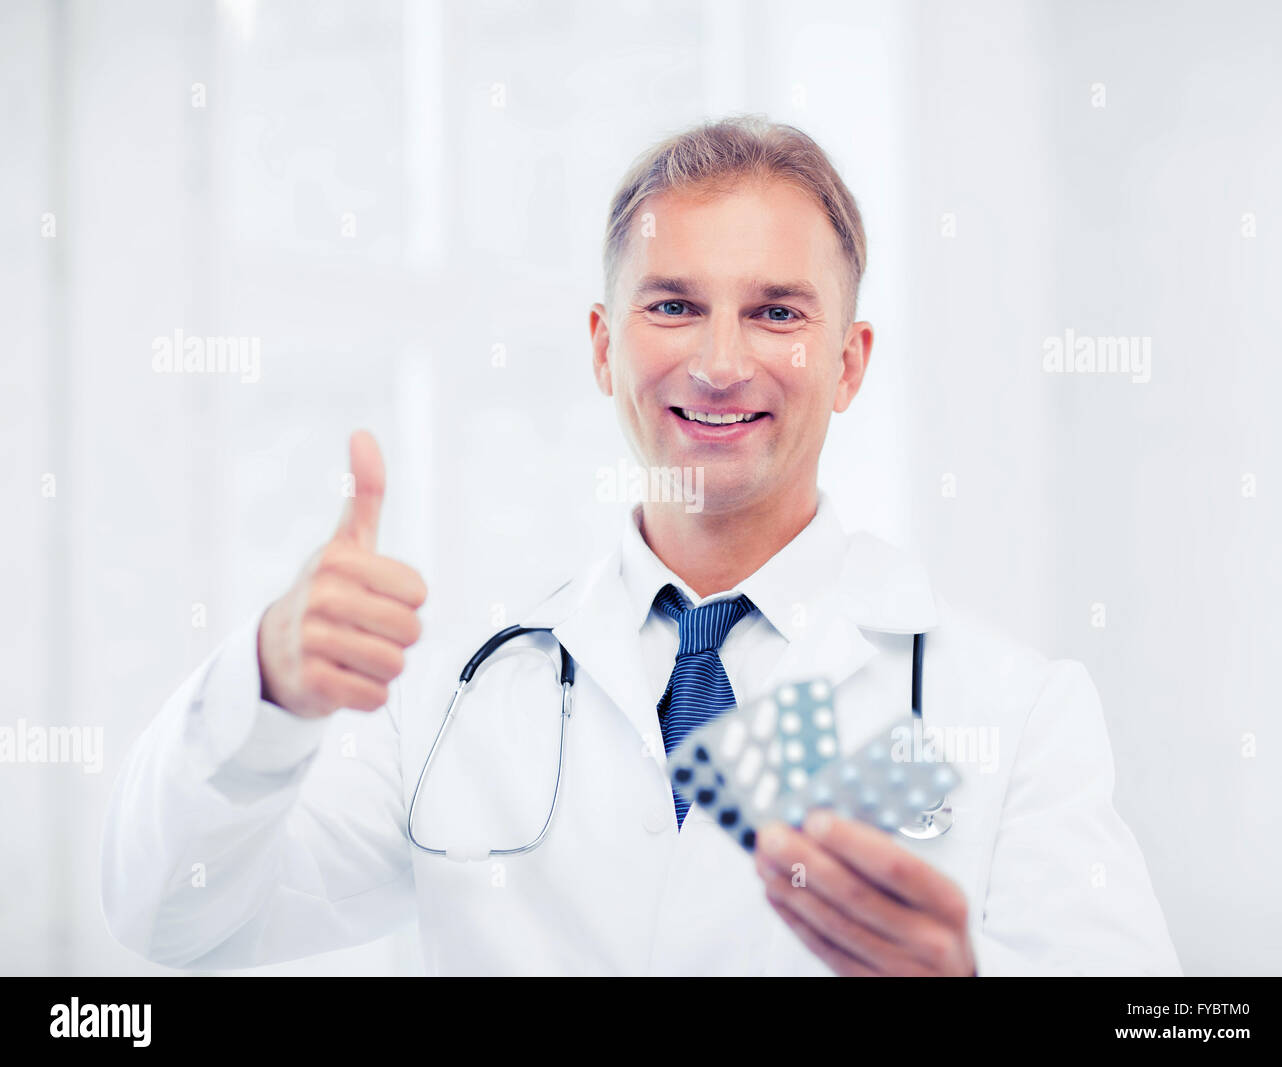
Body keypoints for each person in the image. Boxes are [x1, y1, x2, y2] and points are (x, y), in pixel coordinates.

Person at [100, 115, 1181, 977]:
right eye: (672, 304)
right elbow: (175, 920)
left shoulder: (1012, 710)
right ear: (603, 345)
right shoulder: (453, 700)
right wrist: (265, 694)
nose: (719, 362)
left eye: (775, 313)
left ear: (849, 362)